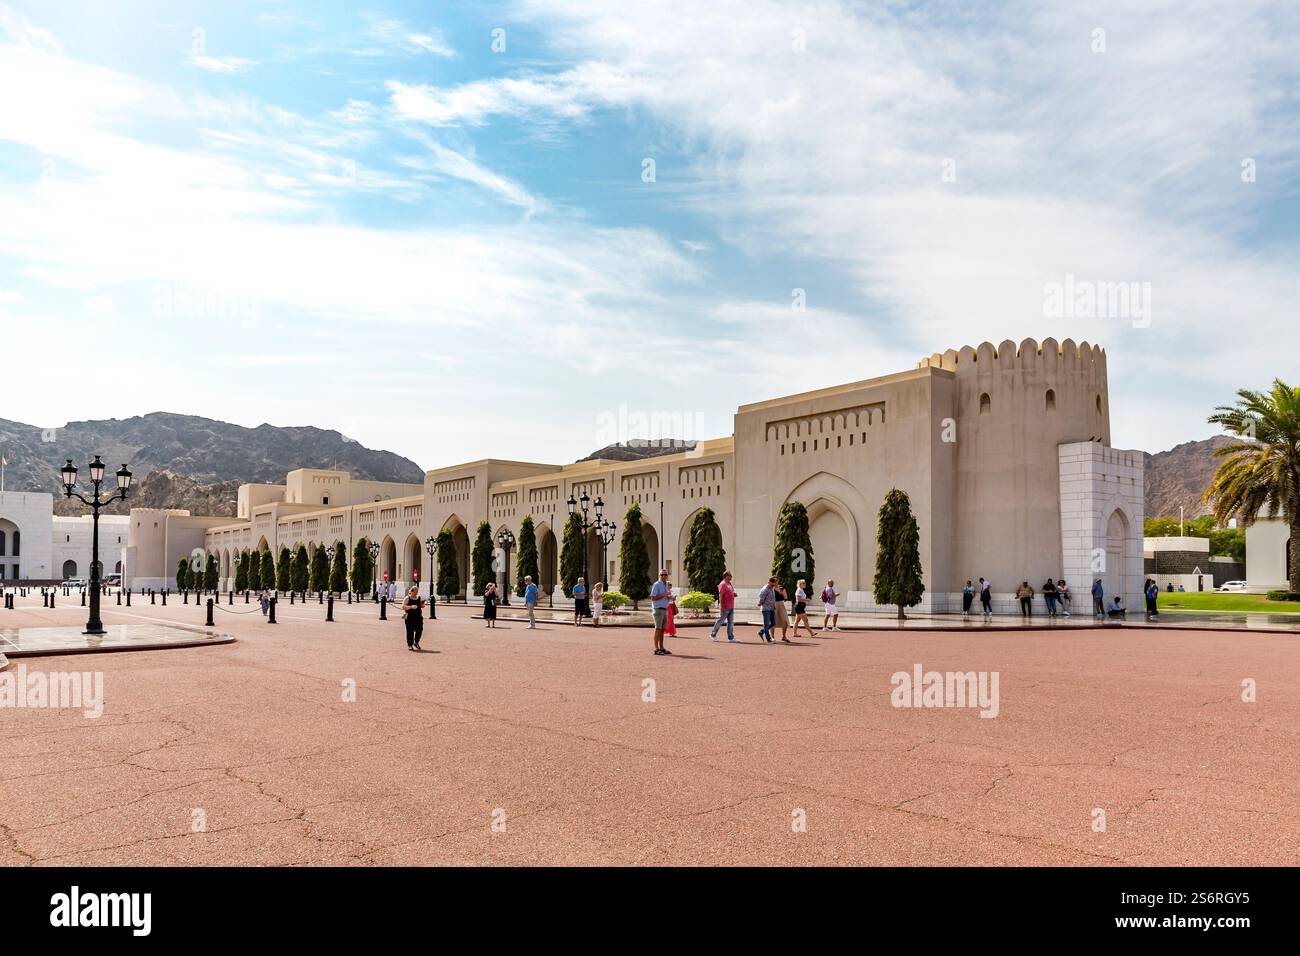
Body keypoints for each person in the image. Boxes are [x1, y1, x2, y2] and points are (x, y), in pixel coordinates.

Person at [710, 571, 737, 642]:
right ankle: (713, 634)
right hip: (725, 606)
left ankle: (730, 637)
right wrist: (721, 606)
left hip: (731, 606)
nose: (731, 577)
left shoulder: (729, 584)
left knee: (731, 622)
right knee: (720, 621)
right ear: (726, 576)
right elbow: (721, 595)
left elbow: (730, 592)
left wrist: (733, 594)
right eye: (730, 576)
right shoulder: (723, 584)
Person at [650, 569, 672, 655]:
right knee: (658, 629)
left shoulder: (666, 584)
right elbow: (652, 598)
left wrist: (670, 597)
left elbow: (666, 596)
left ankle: (662, 648)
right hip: (658, 609)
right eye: (662, 575)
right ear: (659, 576)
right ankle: (656, 649)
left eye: (665, 575)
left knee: (662, 630)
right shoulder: (656, 585)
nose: (664, 576)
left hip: (664, 609)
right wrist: (664, 595)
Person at [402, 586, 425, 650]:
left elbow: (422, 606)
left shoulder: (418, 597)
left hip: (418, 617)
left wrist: (422, 604)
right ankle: (410, 645)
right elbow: (403, 607)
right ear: (411, 591)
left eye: (417, 592)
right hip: (409, 617)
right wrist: (411, 607)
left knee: (420, 629)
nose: (416, 593)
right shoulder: (407, 598)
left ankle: (416, 642)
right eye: (415, 592)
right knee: (410, 631)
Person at [757, 577, 778, 643]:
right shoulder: (765, 590)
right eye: (772, 585)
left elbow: (773, 598)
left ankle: (761, 632)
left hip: (771, 608)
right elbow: (761, 598)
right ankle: (768, 639)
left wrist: (774, 605)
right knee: (766, 624)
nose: (773, 586)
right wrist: (760, 603)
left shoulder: (772, 588)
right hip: (766, 609)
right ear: (769, 582)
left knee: (773, 623)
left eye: (774, 585)